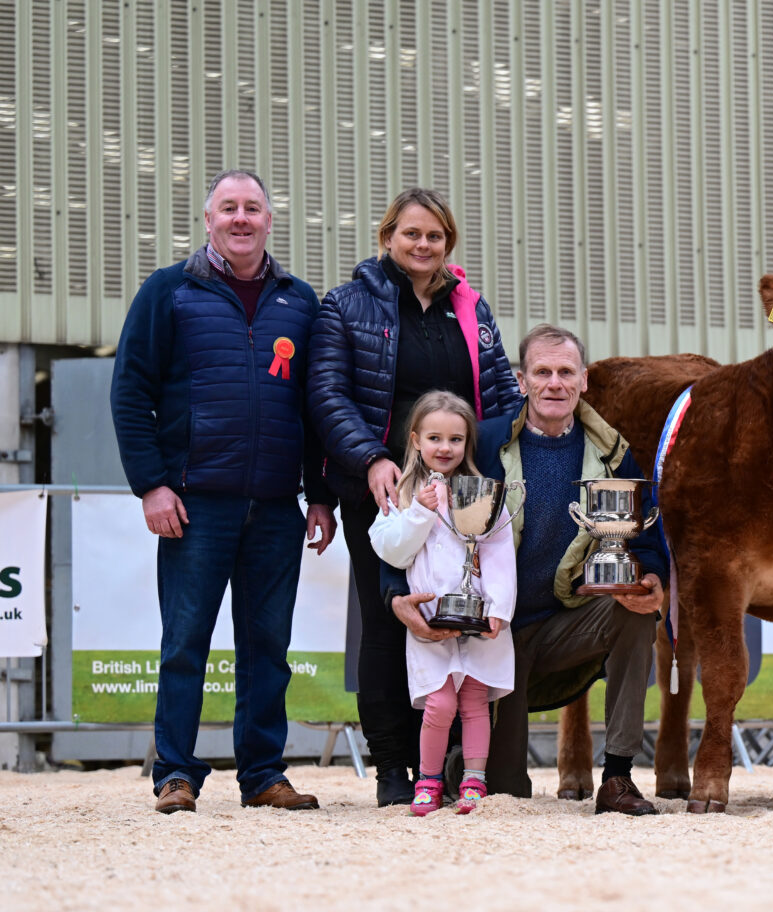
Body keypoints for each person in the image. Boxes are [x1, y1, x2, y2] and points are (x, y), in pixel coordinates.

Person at [110, 168, 337, 815]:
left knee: (268, 648)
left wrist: (319, 495)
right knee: (185, 645)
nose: (241, 218)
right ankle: (175, 774)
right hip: (194, 505)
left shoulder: (300, 301)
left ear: (270, 219)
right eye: (228, 208)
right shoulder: (168, 293)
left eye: (253, 208)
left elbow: (315, 407)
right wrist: (151, 485)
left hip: (274, 508)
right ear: (208, 220)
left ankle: (263, 774)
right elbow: (131, 394)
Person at [384, 324, 665, 815]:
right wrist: (394, 593)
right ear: (521, 381)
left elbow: (645, 534)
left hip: (570, 624)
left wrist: (653, 580)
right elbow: (417, 519)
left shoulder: (615, 454)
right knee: (503, 792)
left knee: (634, 616)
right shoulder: (483, 442)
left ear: (583, 382)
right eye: (542, 372)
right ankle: (456, 768)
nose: (554, 383)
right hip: (493, 632)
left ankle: (618, 776)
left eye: (565, 372)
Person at [308, 188, 520, 806]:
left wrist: (481, 465)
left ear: (447, 243)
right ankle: (395, 766)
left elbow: (504, 392)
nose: (422, 245)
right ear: (387, 237)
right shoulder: (345, 305)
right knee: (388, 619)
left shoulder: (471, 309)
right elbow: (326, 394)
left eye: (434, 236)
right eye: (411, 234)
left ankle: (455, 762)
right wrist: (371, 459)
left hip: (465, 488)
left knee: (465, 613)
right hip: (382, 484)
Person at [369, 391, 516, 816]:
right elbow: (392, 552)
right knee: (439, 703)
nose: (445, 448)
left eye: (456, 439)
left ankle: (474, 780)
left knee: (474, 700)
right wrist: (420, 511)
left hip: (480, 616)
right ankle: (429, 780)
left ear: (467, 443)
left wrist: (500, 608)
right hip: (431, 620)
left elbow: (499, 552)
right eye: (435, 438)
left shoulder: (483, 494)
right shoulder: (399, 496)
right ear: (415, 440)